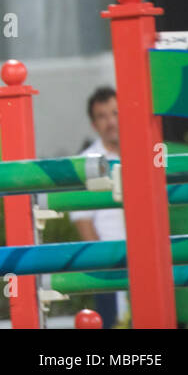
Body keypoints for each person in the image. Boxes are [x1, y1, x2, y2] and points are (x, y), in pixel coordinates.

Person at [70, 86, 126, 327]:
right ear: (94, 124)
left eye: (115, 113)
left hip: (149, 255)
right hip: (110, 261)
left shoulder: (146, 150)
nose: (110, 122)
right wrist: (104, 264)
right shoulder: (87, 162)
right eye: (102, 116)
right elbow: (83, 220)